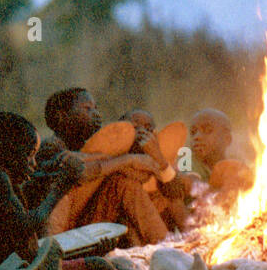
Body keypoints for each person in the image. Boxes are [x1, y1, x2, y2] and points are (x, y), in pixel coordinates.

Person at [0, 112, 176, 270]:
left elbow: (22, 243)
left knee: (102, 263)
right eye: (28, 155)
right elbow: (27, 226)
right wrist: (60, 187)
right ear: (10, 152)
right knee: (100, 267)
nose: (32, 163)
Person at [34, 88, 171, 245]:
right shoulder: (50, 147)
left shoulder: (92, 150)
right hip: (58, 237)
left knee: (123, 184)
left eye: (96, 109)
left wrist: (154, 161)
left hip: (85, 224)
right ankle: (167, 248)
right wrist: (127, 160)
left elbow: (138, 175)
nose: (96, 114)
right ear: (62, 116)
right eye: (88, 108)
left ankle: (166, 246)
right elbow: (80, 172)